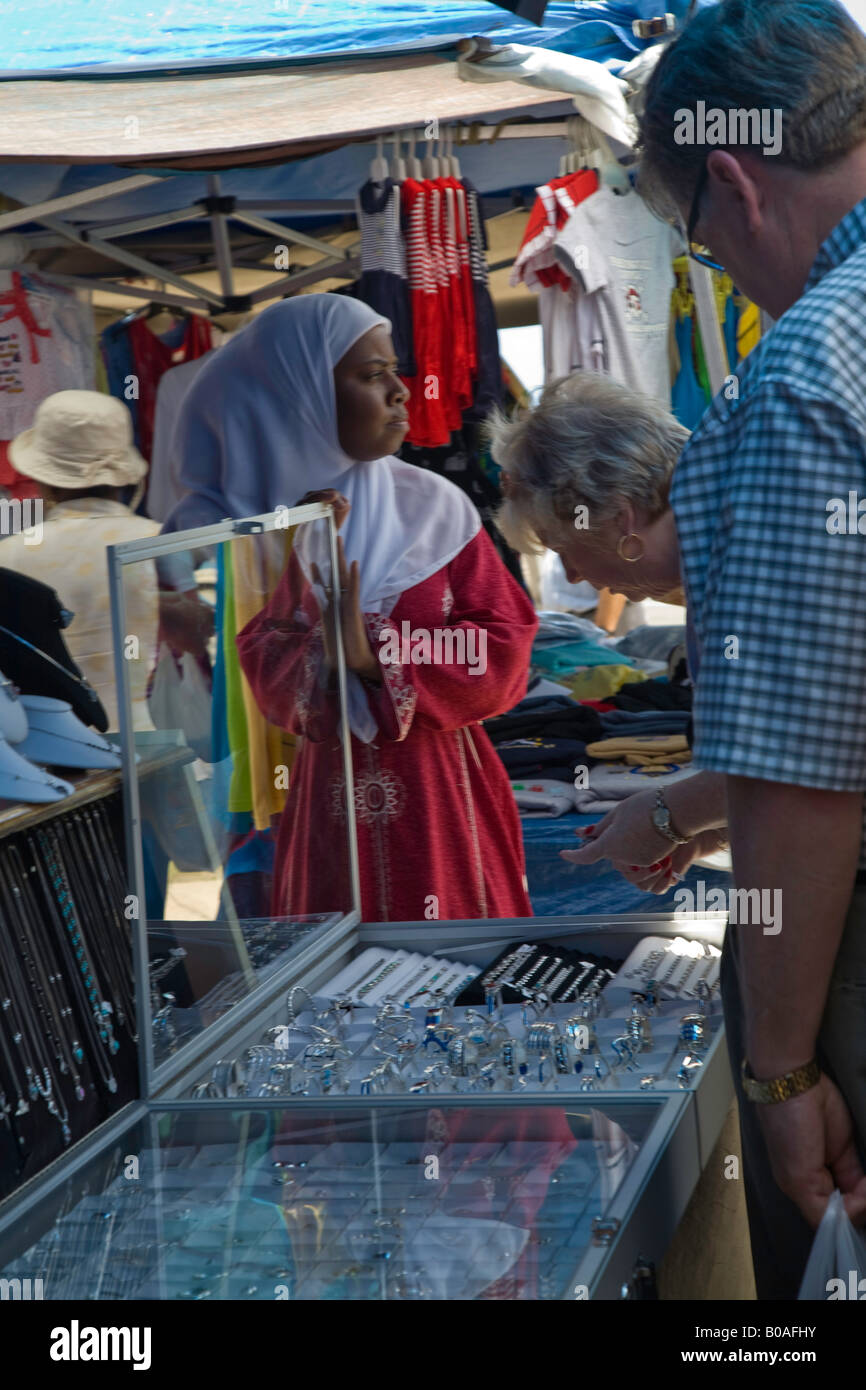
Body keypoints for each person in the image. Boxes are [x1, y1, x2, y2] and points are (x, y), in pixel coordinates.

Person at [633, 0, 866, 1298]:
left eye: (701, 239)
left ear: (728, 176)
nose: (724, 266)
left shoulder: (809, 371)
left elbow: (805, 769)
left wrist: (777, 1068)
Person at [167, 293, 537, 923]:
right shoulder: (258, 523)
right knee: (343, 982)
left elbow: (505, 642)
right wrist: (316, 630)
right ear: (304, 394)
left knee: (457, 965)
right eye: (370, 376)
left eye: (394, 371)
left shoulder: (434, 508)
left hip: (440, 789)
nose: (400, 391)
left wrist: (378, 656)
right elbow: (261, 668)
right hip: (324, 793)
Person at [491, 369, 731, 889]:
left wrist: (669, 816)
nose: (575, 576)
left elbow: (809, 761)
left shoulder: (742, 562)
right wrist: (711, 825)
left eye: (563, 550)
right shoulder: (723, 552)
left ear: (620, 520)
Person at [1, 390, 159, 730]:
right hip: (160, 741)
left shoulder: (8, 557)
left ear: (43, 481)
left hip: (58, 749)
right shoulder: (162, 541)